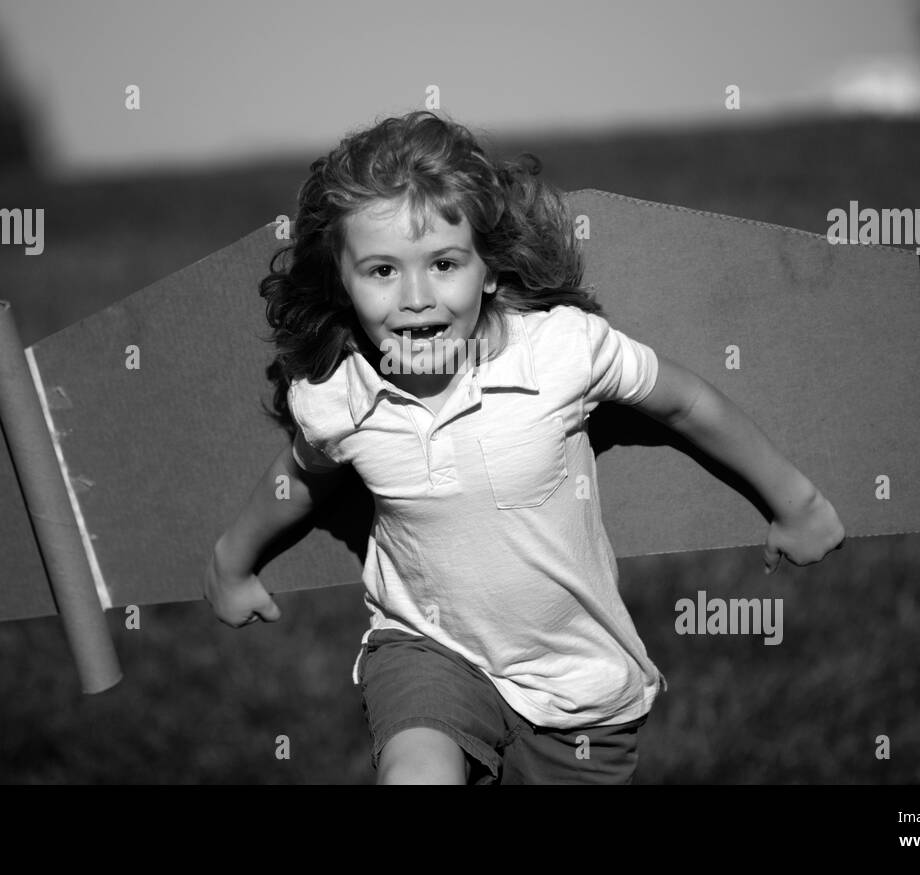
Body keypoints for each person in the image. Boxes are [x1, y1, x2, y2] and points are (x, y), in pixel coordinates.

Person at [203, 110, 845, 784]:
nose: (416, 297)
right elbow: (301, 476)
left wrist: (794, 500)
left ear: (486, 268)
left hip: (578, 689)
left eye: (444, 263)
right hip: (431, 649)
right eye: (383, 270)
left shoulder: (559, 351)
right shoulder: (340, 396)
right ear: (341, 278)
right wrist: (233, 558)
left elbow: (686, 401)